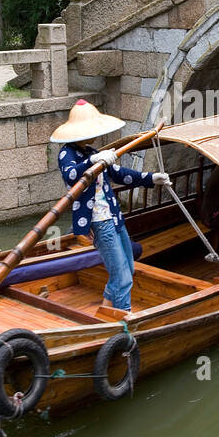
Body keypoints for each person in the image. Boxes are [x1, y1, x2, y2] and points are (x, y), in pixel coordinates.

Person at [50, 100, 169, 317]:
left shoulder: (92, 151)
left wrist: (151, 178)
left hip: (113, 216)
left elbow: (119, 173)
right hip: (99, 220)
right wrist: (93, 161)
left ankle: (105, 307)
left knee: (128, 268)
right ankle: (124, 318)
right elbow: (71, 175)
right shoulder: (67, 154)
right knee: (122, 276)